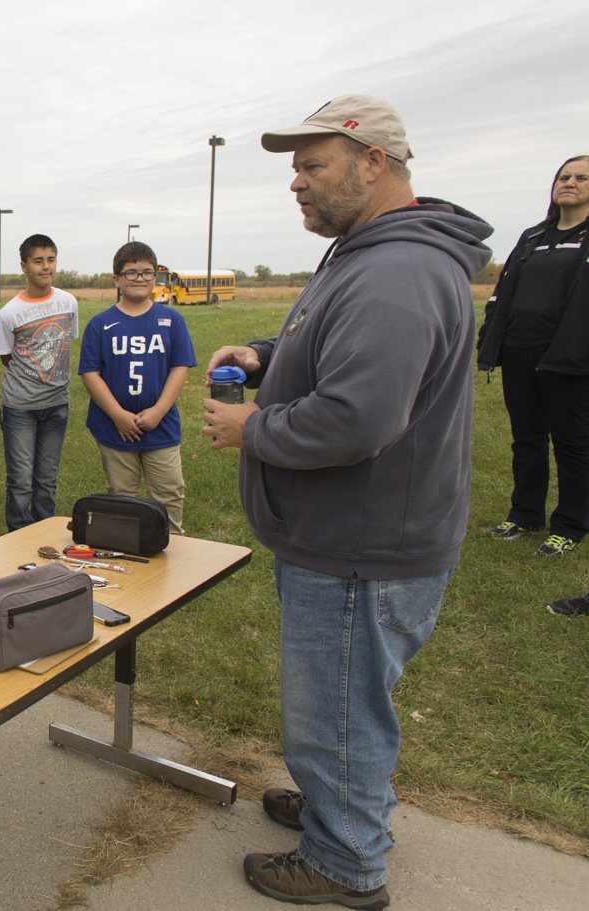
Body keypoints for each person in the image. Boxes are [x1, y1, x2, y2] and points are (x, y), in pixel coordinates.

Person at [201, 95, 492, 908]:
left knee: (339, 708)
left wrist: (252, 425)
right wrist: (264, 355)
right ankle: (341, 804)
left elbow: (358, 417)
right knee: (346, 701)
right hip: (357, 533)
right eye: (295, 167)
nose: (296, 182)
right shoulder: (368, 250)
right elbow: (332, 349)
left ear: (374, 162)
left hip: (361, 545)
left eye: (311, 165)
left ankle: (345, 861)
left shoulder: (396, 268)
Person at [476, 155, 589, 558]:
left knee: (573, 443)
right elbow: (503, 292)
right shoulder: (533, 236)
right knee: (526, 438)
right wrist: (492, 337)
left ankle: (571, 525)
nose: (569, 183)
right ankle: (525, 514)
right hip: (519, 351)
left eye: (581, 178)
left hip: (568, 357)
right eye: (564, 176)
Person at [78, 241, 195, 534]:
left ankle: (173, 552)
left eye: (146, 272)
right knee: (121, 496)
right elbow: (90, 374)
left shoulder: (172, 320)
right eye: (131, 273)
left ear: (156, 277)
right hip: (114, 427)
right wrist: (118, 415)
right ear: (116, 279)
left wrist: (159, 410)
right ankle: (127, 551)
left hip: (161, 426)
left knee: (169, 494)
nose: (139, 279)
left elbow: (180, 368)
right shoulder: (100, 323)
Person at [0, 234, 79, 531]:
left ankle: (45, 531)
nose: (46, 267)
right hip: (20, 407)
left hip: (57, 405)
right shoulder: (8, 313)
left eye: (51, 259)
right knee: (20, 480)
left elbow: (66, 343)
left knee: (46, 479)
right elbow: (7, 357)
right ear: (24, 266)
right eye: (38, 261)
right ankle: (18, 535)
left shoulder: (68, 302)